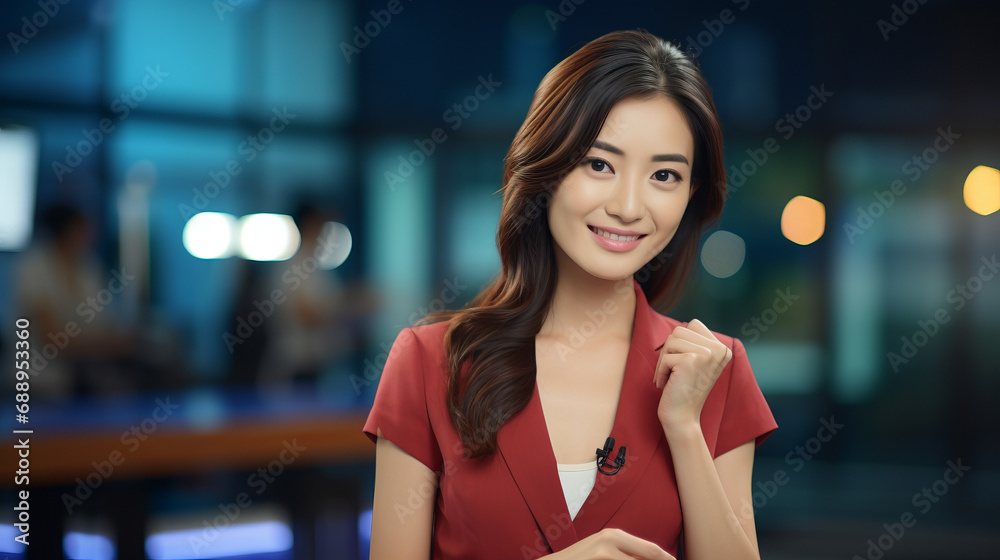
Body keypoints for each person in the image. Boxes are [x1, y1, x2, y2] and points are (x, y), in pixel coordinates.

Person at [363, 30, 777, 559]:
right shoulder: (429, 362)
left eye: (665, 175)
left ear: (691, 195)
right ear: (547, 168)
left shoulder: (715, 370)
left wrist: (683, 428)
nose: (629, 206)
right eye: (599, 164)